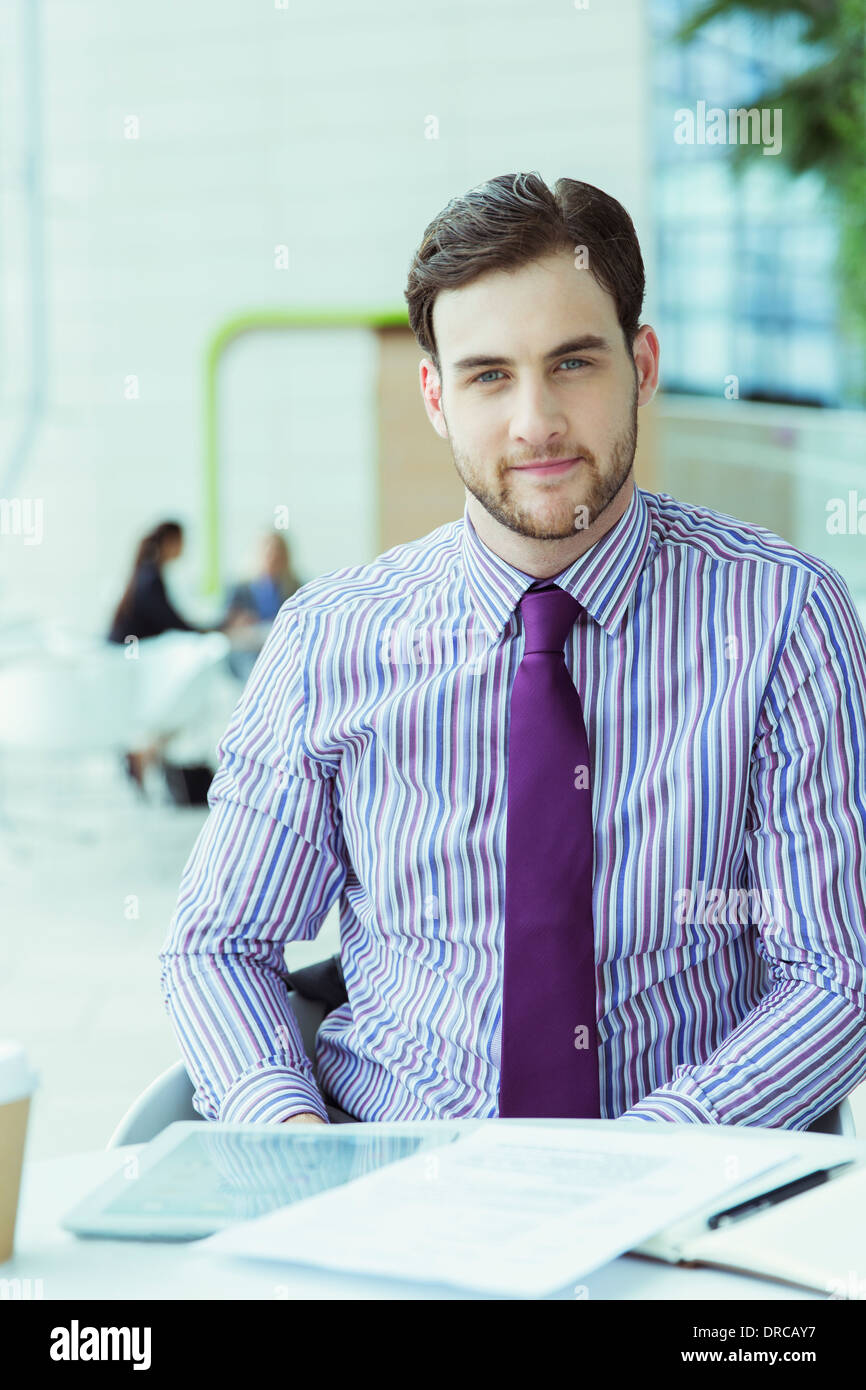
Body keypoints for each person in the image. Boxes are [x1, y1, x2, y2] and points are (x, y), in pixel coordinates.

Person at [159, 172, 866, 1131]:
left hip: (693, 1197)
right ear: (435, 395)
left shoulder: (784, 617)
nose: (534, 420)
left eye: (573, 363)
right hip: (392, 1186)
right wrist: (290, 1138)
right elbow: (218, 946)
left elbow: (835, 976)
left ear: (643, 364)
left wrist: (648, 1165)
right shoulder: (331, 639)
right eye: (489, 374)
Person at [108, 520, 208, 790]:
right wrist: (213, 629)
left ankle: (145, 756)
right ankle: (144, 755)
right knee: (188, 702)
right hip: (128, 665)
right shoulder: (150, 578)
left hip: (134, 661)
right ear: (169, 542)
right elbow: (171, 620)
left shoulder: (147, 574)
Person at [220, 532, 303, 681]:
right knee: (258, 675)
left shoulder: (295, 588)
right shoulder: (240, 588)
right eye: (269, 555)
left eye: (278, 556)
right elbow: (224, 626)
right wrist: (239, 624)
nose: (273, 560)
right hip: (247, 651)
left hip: (282, 650)